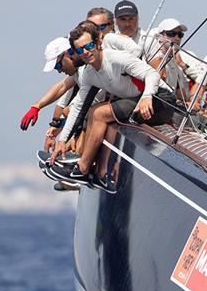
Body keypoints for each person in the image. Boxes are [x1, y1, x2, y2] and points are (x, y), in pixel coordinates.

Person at [49, 22, 176, 185]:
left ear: (97, 43)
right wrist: (62, 140)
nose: (86, 52)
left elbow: (152, 75)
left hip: (160, 100)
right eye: (80, 50)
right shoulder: (89, 73)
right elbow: (79, 107)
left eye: (88, 46)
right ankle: (98, 172)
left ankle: (82, 169)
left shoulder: (117, 59)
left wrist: (147, 97)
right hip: (136, 102)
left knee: (101, 114)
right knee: (93, 111)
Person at [144, 18, 204, 104]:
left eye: (180, 35)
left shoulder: (175, 64)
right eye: (171, 34)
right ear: (160, 37)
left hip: (169, 107)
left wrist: (188, 104)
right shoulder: (154, 56)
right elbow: (160, 92)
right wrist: (184, 105)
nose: (177, 38)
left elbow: (181, 96)